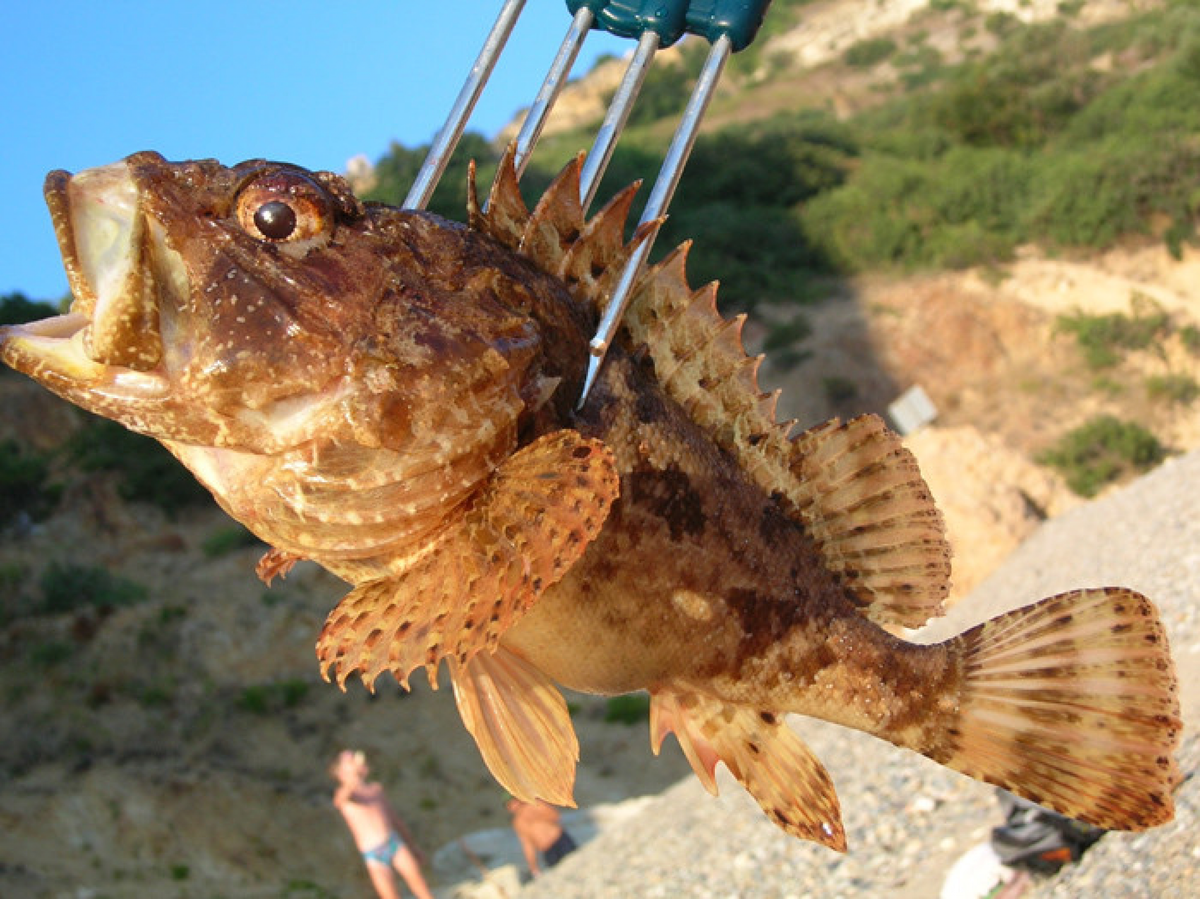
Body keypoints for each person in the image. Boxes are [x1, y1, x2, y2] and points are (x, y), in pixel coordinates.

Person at [330, 749, 435, 899]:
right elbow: (340, 800)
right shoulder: (346, 795)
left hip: (393, 842)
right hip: (373, 853)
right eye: (348, 762)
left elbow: (395, 820)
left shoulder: (375, 789)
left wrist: (412, 846)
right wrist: (353, 776)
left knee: (419, 885)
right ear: (340, 773)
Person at [506, 798, 577, 878]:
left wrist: (537, 817)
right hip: (547, 850)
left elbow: (555, 816)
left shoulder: (535, 804)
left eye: (514, 802)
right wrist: (534, 868)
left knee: (576, 864)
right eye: (509, 805)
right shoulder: (518, 823)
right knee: (560, 875)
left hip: (560, 841)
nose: (514, 806)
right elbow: (527, 845)